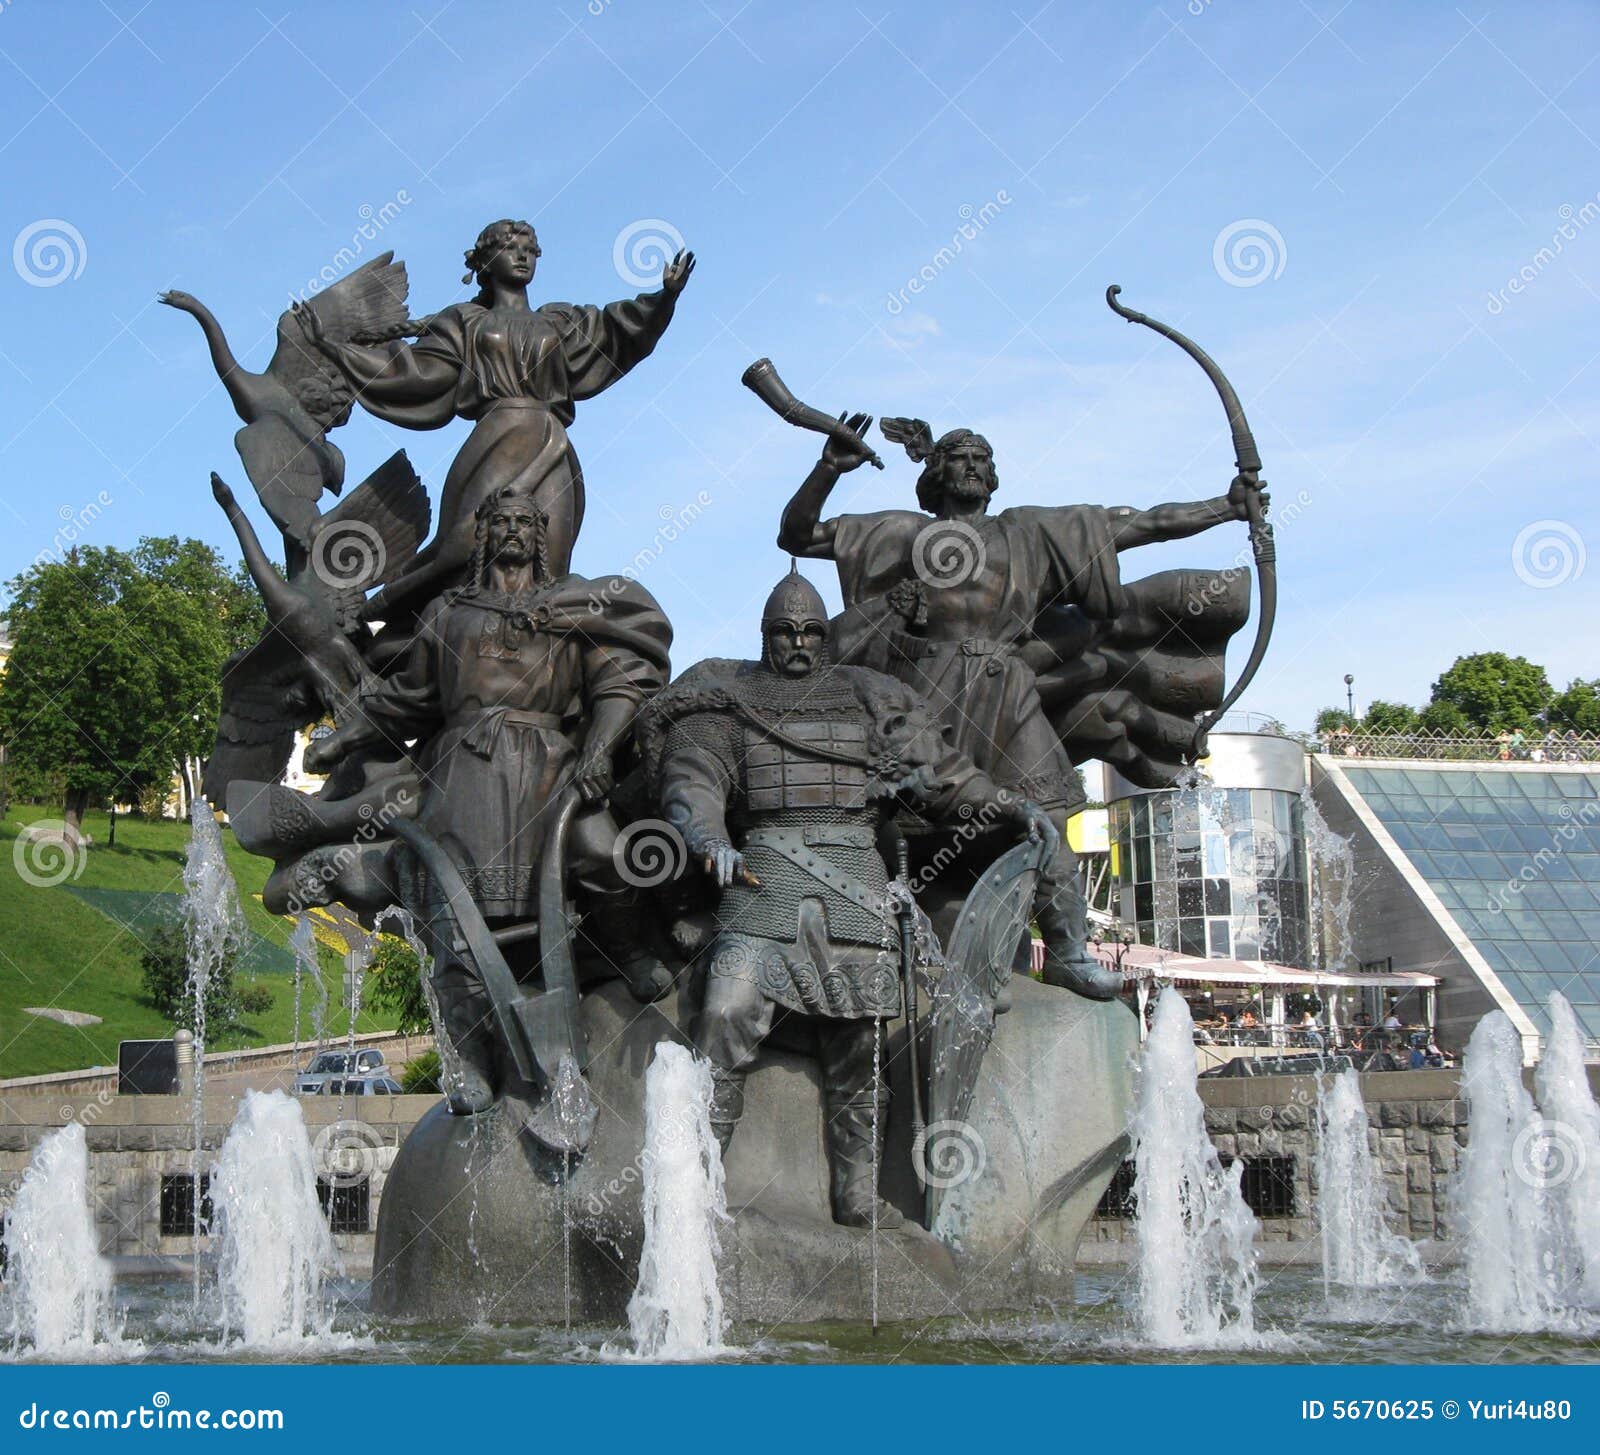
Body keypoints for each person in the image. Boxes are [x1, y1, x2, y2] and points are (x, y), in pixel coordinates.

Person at [776, 416, 1254, 995]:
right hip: (923, 688)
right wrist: (829, 468)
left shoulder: (1028, 533)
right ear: (935, 473)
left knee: (1047, 818)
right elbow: (797, 536)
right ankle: (870, 941)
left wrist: (1226, 507)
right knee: (896, 817)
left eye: (982, 458)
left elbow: (1139, 523)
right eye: (959, 457)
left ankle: (1067, 952)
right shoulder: (901, 533)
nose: (972, 466)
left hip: (1005, 687)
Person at [643, 568, 1057, 1229]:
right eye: (785, 632)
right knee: (724, 1011)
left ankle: (858, 1195)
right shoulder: (728, 703)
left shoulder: (870, 700)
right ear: (765, 635)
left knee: (860, 1047)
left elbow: (943, 778)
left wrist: (1005, 803)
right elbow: (692, 782)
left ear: (826, 636)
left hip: (854, 886)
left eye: (811, 631)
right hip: (764, 880)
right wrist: (710, 839)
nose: (799, 643)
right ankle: (695, 1182)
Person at [305, 481, 675, 1112]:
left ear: (541, 536)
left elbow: (620, 683)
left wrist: (599, 748)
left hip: (550, 768)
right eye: (501, 522)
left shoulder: (573, 606)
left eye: (525, 523)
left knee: (610, 855)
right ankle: (471, 1057)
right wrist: (340, 741)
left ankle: (626, 948)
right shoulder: (447, 613)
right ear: (483, 534)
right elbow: (407, 700)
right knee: (452, 911)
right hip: (464, 774)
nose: (513, 532)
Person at [305, 218, 694, 615]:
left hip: (552, 445)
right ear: (486, 262)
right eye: (511, 248)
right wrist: (334, 348)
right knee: (465, 548)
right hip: (495, 439)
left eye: (530, 249)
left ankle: (540, 643)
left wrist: (666, 297)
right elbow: (416, 373)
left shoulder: (559, 321)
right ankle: (396, 617)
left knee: (549, 565)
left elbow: (618, 329)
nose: (523, 256)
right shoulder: (464, 322)